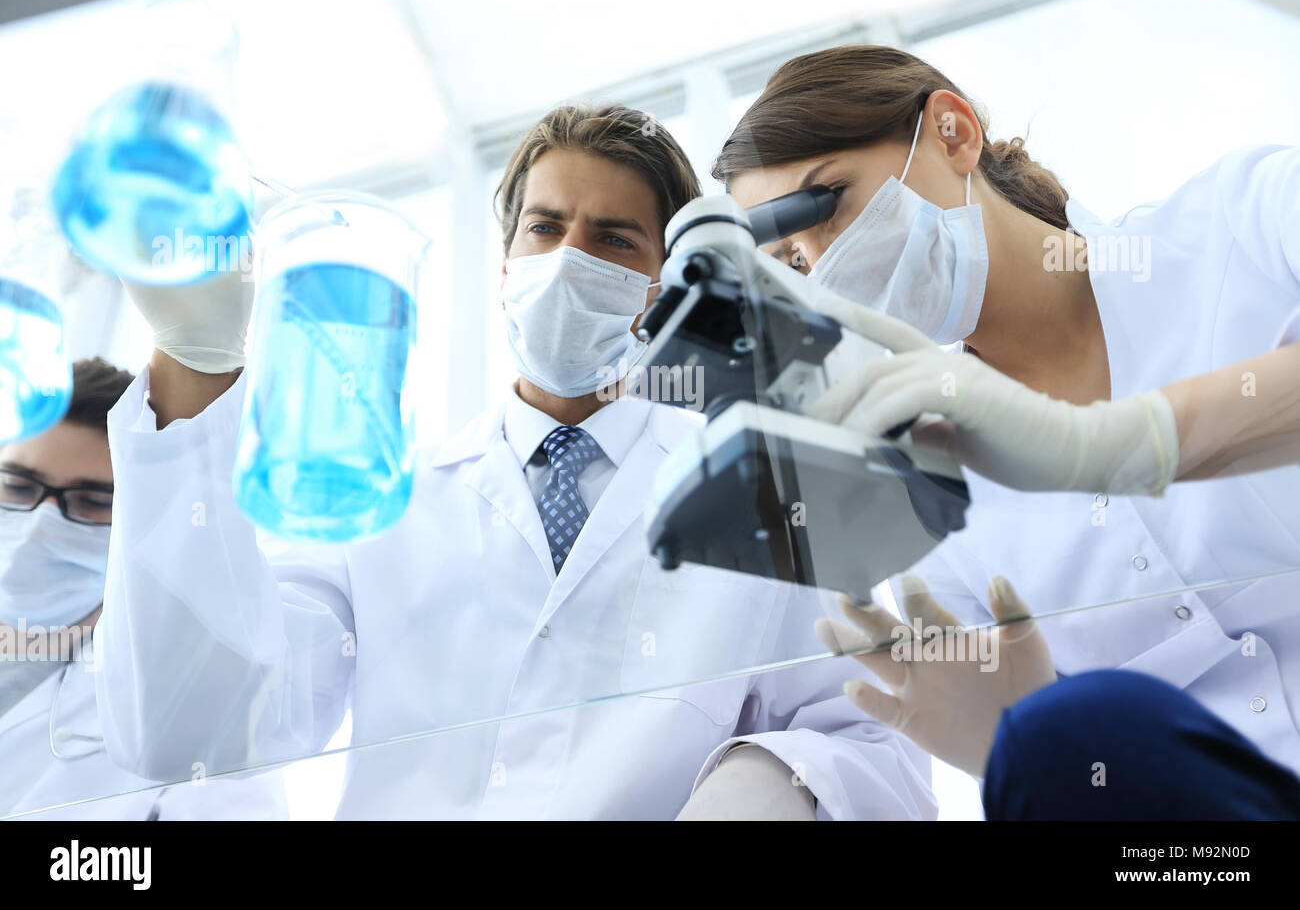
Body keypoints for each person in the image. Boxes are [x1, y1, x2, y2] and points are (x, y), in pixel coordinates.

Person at [93, 104, 936, 820]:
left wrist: (767, 784)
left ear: (667, 290)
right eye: (546, 226)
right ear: (503, 267)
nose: (570, 258)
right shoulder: (386, 505)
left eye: (614, 240)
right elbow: (198, 727)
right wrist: (193, 365)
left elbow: (877, 742)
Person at [712, 43, 1300, 816]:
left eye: (828, 205)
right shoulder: (934, 497)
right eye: (792, 257)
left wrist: (1106, 446)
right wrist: (1007, 740)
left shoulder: (1246, 221)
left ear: (953, 132)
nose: (824, 267)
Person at [0, 357, 287, 819]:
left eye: (91, 500)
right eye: (16, 485)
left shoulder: (190, 708)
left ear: (141, 519)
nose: (41, 522)